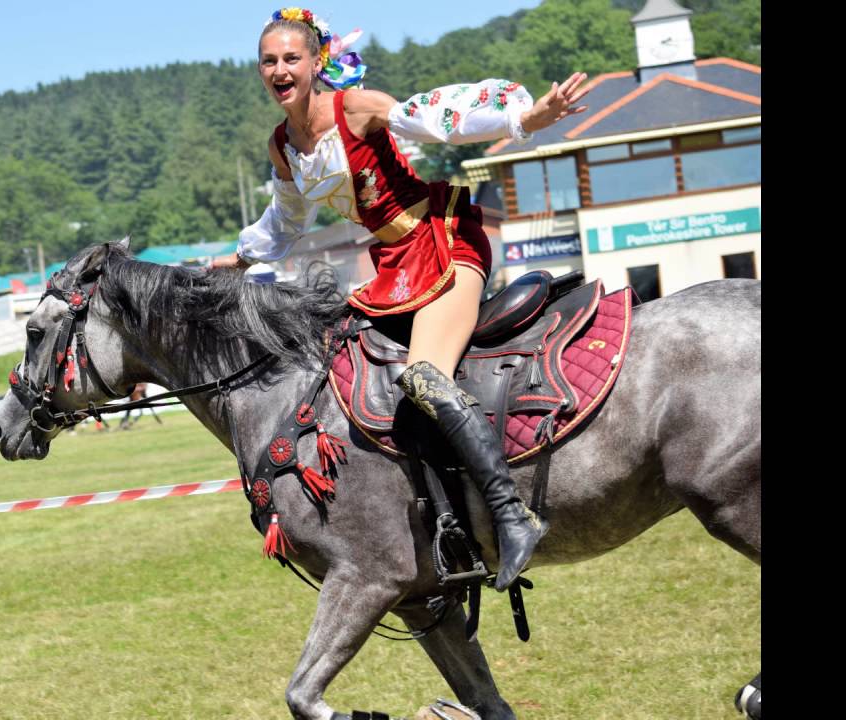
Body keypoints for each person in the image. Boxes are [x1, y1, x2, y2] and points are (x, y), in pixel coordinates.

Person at [214, 8, 590, 591]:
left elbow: (438, 119)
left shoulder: (357, 109)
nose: (280, 69)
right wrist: (240, 258)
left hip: (442, 242)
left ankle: (514, 519)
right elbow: (286, 219)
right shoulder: (283, 146)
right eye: (270, 61)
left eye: (292, 58)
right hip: (391, 267)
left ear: (317, 63)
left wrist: (527, 116)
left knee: (424, 376)